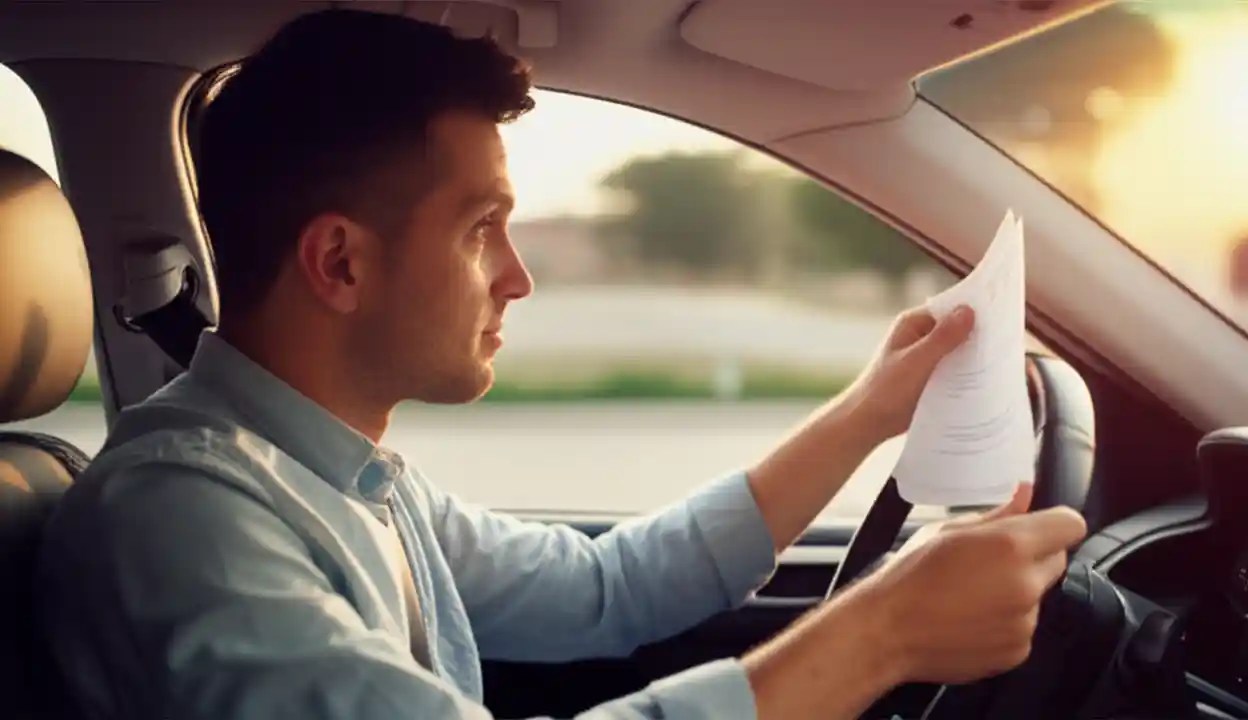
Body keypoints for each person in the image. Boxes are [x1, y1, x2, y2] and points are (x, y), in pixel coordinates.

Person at [36, 9, 1087, 720]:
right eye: (482, 228)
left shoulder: (337, 477)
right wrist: (882, 634)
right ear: (339, 262)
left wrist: (868, 411)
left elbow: (605, 590)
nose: (518, 278)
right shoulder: (182, 521)